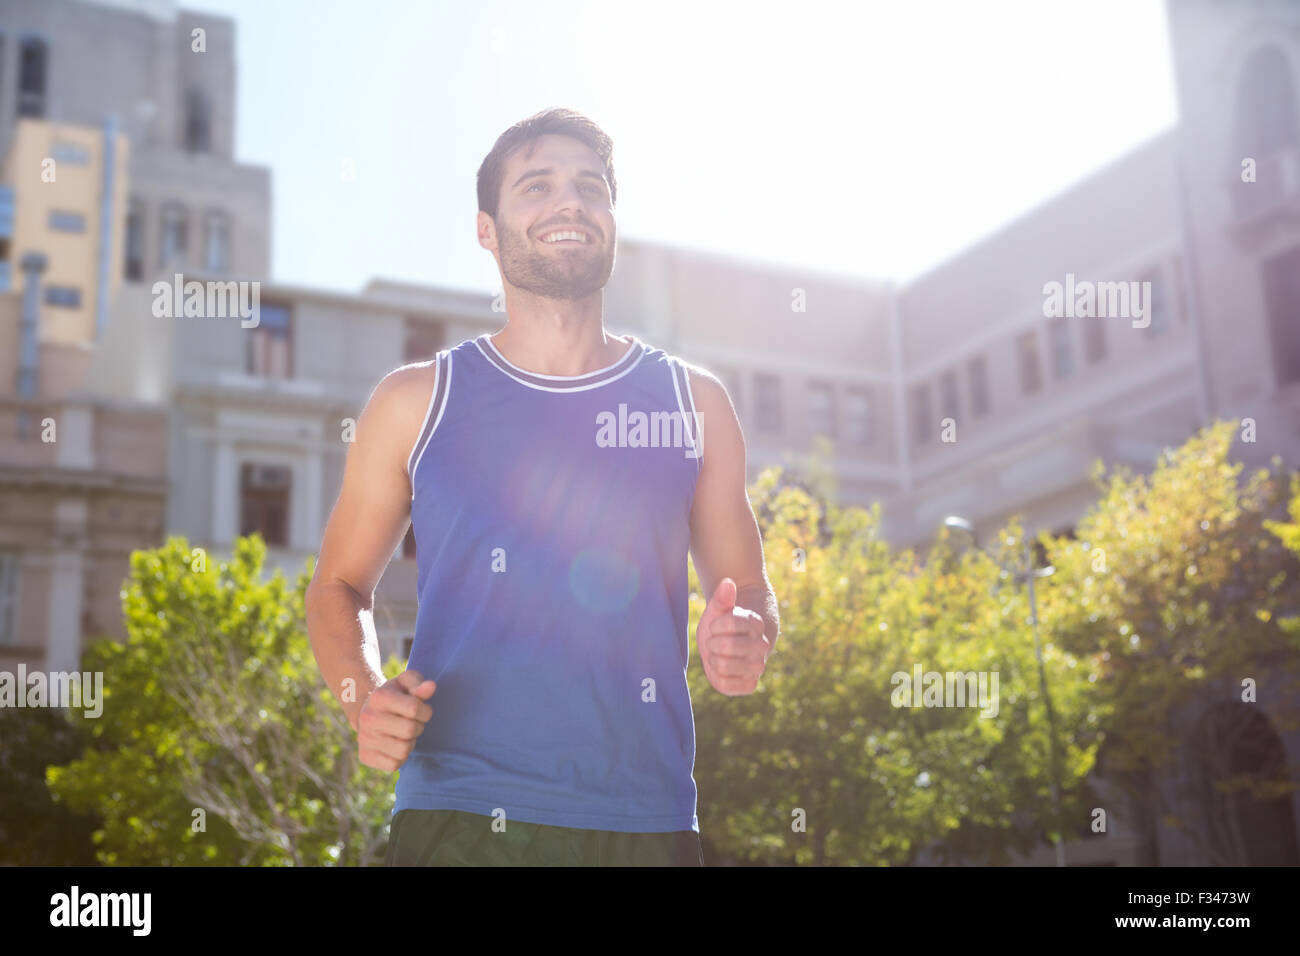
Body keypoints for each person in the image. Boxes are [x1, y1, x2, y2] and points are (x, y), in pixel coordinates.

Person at [305, 108, 780, 866]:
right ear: (487, 230)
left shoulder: (695, 404)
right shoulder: (415, 401)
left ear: (612, 220)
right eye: (538, 186)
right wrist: (363, 697)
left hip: (644, 821)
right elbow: (335, 586)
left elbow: (747, 588)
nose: (570, 202)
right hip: (457, 818)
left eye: (591, 186)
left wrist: (745, 636)